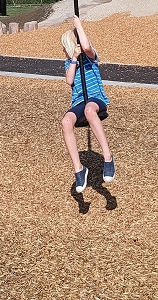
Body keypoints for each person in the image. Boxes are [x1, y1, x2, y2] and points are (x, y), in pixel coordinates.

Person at [59, 16, 115, 193]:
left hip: (96, 99)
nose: (62, 49)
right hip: (78, 102)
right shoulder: (69, 63)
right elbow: (69, 80)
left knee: (90, 110)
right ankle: (79, 169)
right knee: (65, 122)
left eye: (64, 46)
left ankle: (107, 157)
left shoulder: (91, 58)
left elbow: (87, 47)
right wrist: (74, 59)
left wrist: (79, 26)